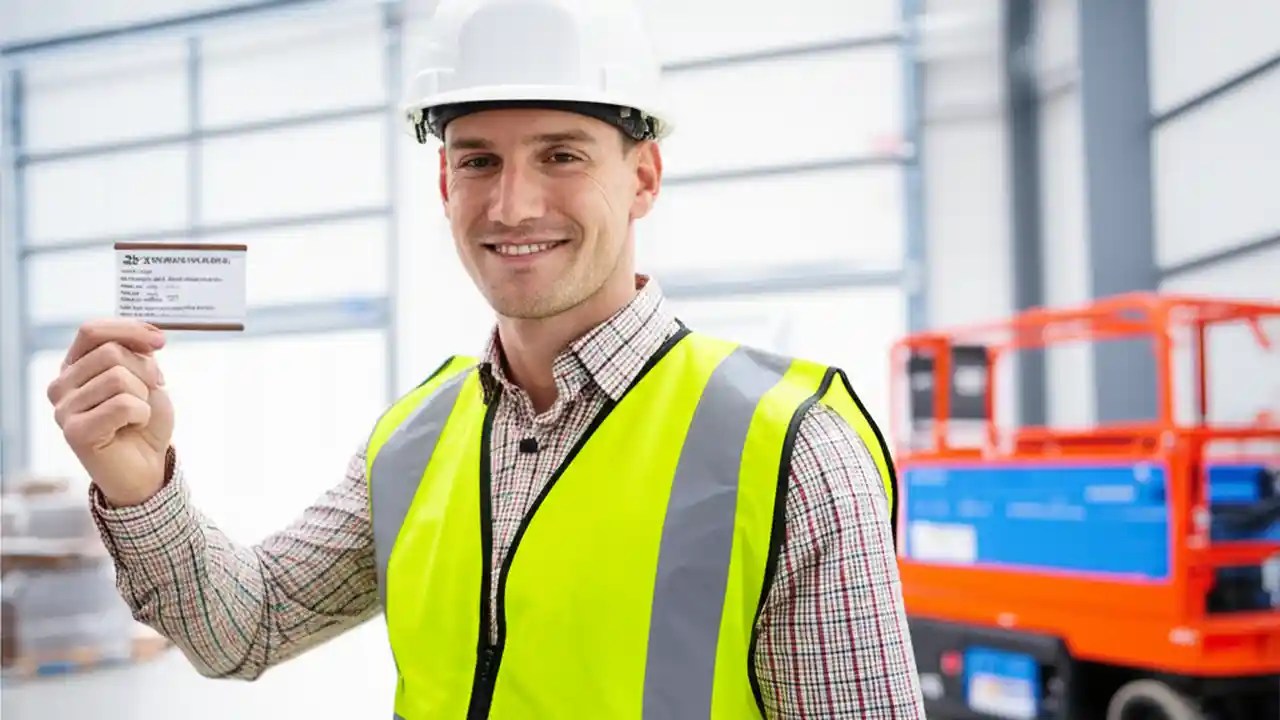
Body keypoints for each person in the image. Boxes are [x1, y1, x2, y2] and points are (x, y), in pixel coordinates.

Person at [46, 0, 925, 717]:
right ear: (444, 185)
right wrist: (137, 482)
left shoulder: (790, 450)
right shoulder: (413, 441)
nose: (512, 204)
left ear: (645, 176)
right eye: (478, 161)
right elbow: (246, 628)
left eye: (561, 155)